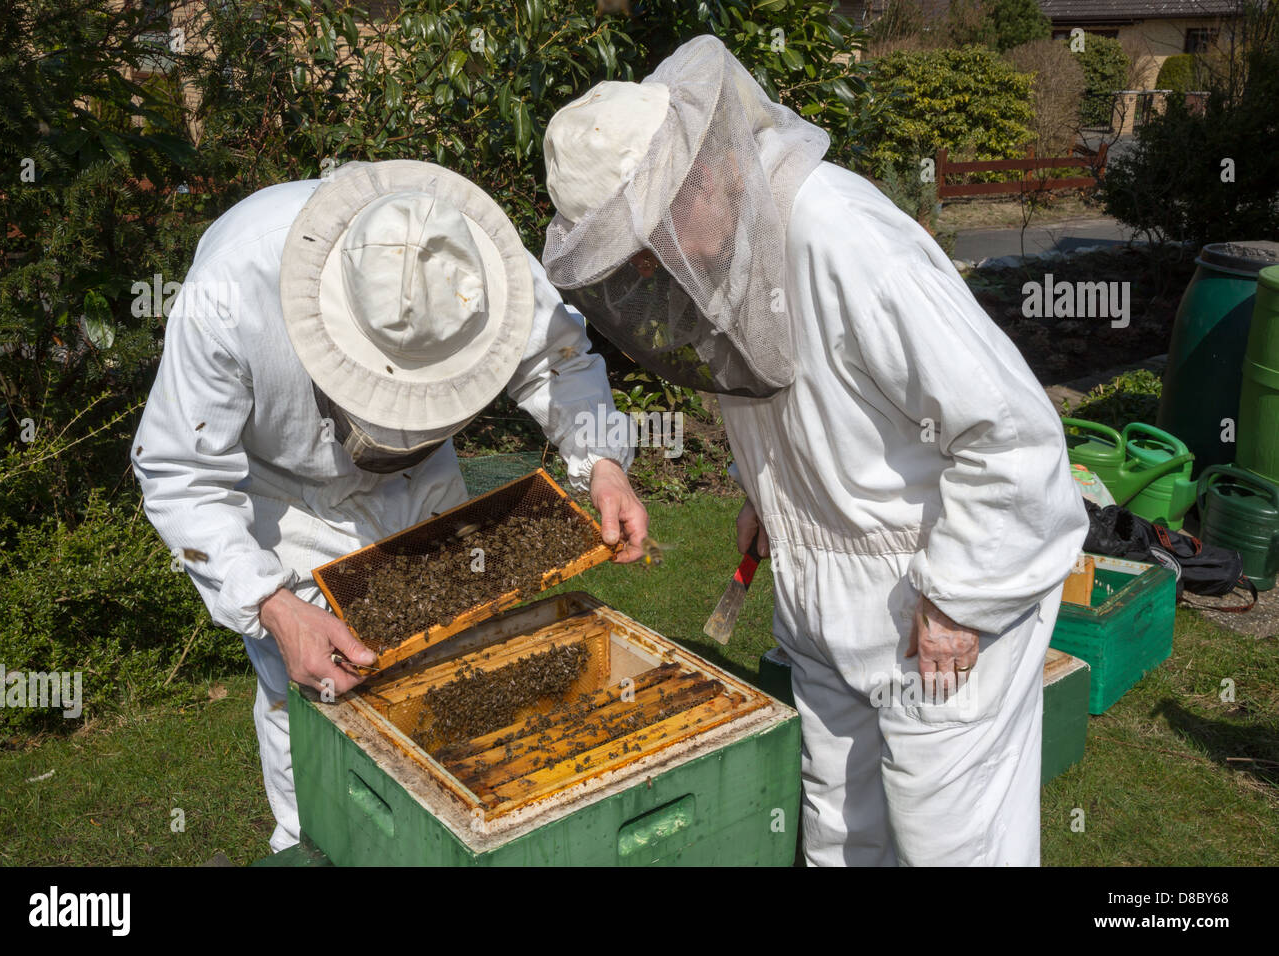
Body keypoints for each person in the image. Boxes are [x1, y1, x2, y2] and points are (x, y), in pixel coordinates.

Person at [540, 36, 1089, 866]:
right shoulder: (720, 247)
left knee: (949, 841)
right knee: (836, 828)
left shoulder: (843, 234)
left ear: (706, 170)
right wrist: (771, 497)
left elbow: (1010, 431)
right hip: (817, 586)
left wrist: (961, 600)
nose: (650, 260)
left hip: (932, 588)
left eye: (650, 228)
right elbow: (795, 401)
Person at [132, 159, 648, 852]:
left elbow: (557, 357)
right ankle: (312, 843)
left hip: (425, 482)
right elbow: (178, 467)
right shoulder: (232, 287)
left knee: (459, 674)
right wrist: (272, 606)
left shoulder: (466, 255)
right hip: (292, 502)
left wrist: (602, 465)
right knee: (320, 709)